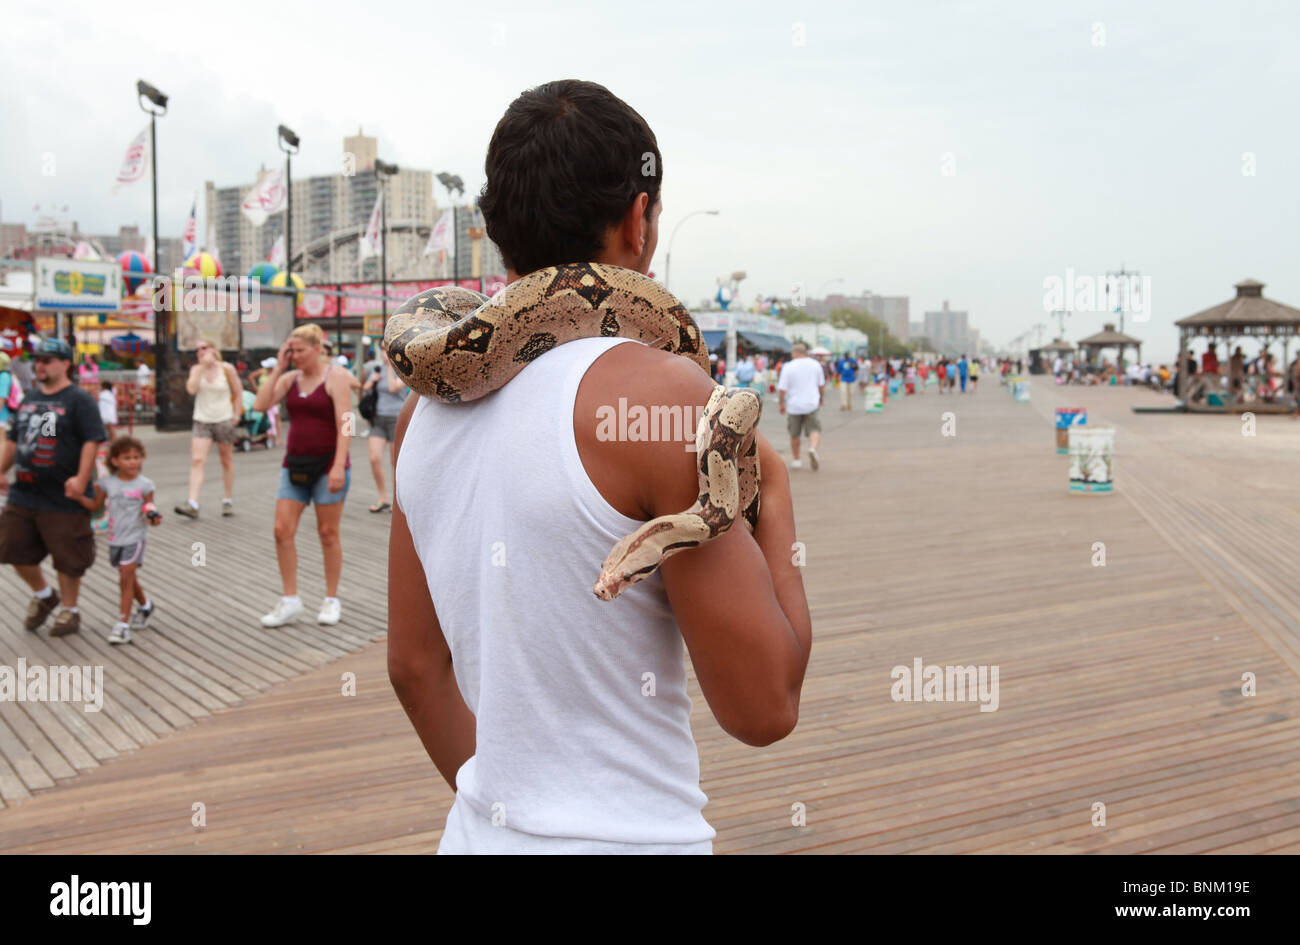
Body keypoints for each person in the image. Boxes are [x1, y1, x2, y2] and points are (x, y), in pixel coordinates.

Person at [387, 79, 809, 854]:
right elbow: (766, 705)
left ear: (497, 228)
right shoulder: (671, 398)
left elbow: (415, 667)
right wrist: (771, 494)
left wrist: (514, 813)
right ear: (639, 220)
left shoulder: (421, 414)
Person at [0, 338, 107, 637]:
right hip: (24, 491)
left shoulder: (78, 400)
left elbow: (91, 439)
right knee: (10, 546)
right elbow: (13, 438)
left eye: (47, 360)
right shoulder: (30, 398)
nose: (40, 365)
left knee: (68, 555)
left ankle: (69, 611)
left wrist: (82, 479)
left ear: (65, 364)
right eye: (38, 360)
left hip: (63, 494)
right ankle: (45, 594)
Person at [253, 323, 353, 628]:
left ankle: (331, 599)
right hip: (294, 464)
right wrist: (278, 368)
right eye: (290, 350)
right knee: (281, 530)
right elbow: (260, 405)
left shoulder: (335, 379)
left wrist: (338, 465)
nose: (294, 355)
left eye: (299, 350)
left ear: (316, 348)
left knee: (328, 533)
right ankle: (290, 599)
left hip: (328, 466)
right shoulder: (289, 379)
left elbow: (346, 424)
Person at [75, 435, 160, 645]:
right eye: (127, 458)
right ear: (115, 461)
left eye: (137, 457)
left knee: (126, 577)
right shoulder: (107, 484)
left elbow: (150, 508)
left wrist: (153, 517)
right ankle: (146, 606)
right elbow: (96, 506)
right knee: (127, 576)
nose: (133, 462)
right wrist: (77, 497)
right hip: (115, 538)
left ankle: (122, 625)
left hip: (136, 537)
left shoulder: (145, 485)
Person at [175, 341, 242, 519]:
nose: (200, 352)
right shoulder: (196, 369)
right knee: (198, 460)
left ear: (214, 349)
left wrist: (237, 415)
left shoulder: (227, 368)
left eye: (204, 348)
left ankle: (227, 499)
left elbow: (238, 391)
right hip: (202, 420)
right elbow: (191, 389)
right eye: (197, 349)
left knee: (226, 460)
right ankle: (193, 503)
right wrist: (200, 369)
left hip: (224, 419)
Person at [363, 347, 409, 513]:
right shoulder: (377, 369)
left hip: (395, 419)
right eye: (381, 348)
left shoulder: (402, 369)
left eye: (386, 349)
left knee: (394, 462)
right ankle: (383, 497)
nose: (383, 352)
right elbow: (365, 388)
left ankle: (398, 501)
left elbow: (393, 388)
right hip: (378, 418)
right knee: (374, 458)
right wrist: (373, 380)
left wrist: (390, 368)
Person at [778, 342, 825, 470]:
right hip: (811, 403)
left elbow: (782, 388)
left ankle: (797, 459)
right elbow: (821, 385)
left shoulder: (788, 366)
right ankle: (812, 448)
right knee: (814, 429)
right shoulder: (816, 365)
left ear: (795, 353)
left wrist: (781, 403)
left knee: (794, 434)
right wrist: (821, 398)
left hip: (794, 405)